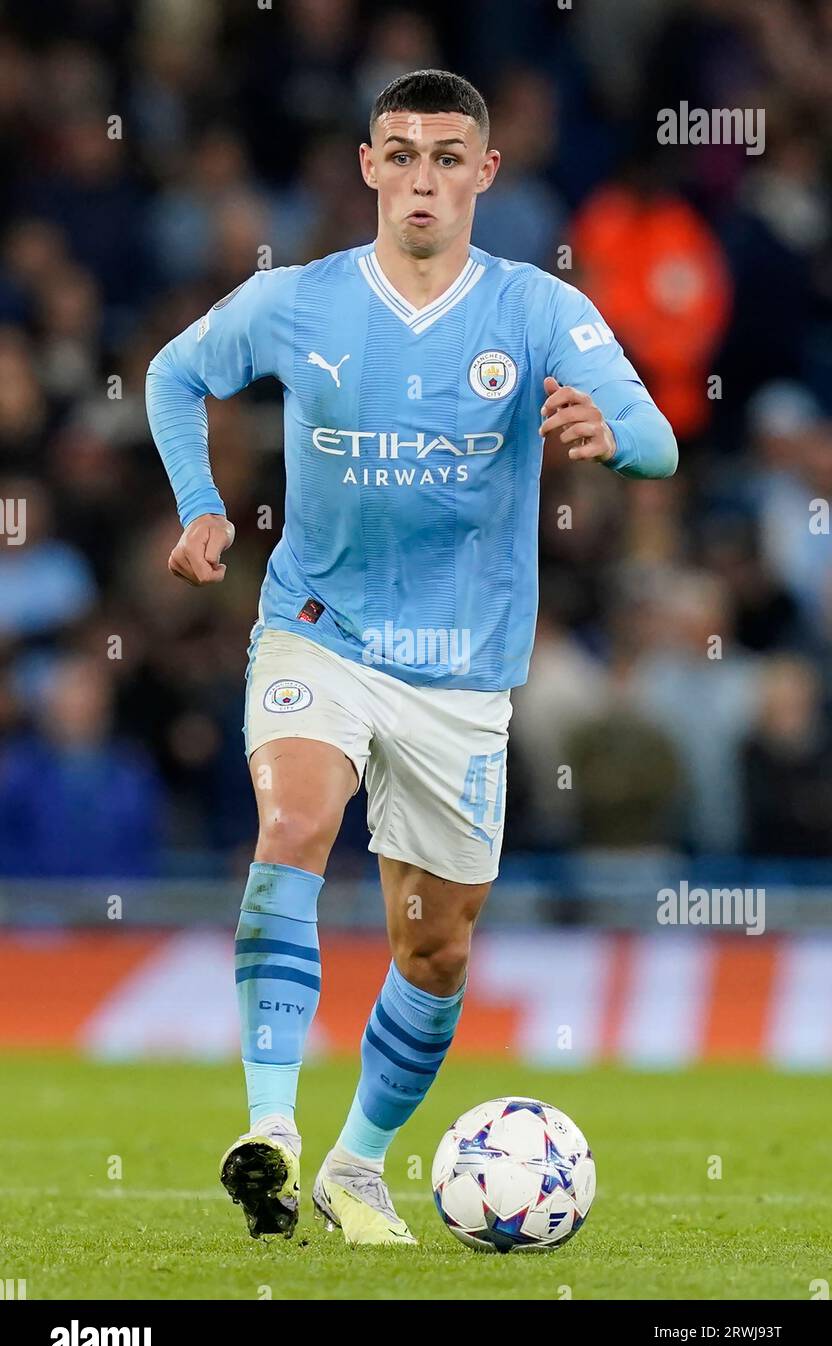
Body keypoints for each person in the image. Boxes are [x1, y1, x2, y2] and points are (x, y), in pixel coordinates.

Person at [146, 69, 677, 1248]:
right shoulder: (297, 301)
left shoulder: (535, 308)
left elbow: (658, 433)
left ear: (486, 173)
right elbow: (177, 375)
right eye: (401, 153)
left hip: (461, 671)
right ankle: (270, 1131)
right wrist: (200, 506)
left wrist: (611, 439)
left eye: (448, 156)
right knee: (291, 822)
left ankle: (354, 1165)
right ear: (367, 167)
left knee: (433, 946)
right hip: (316, 630)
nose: (422, 176)